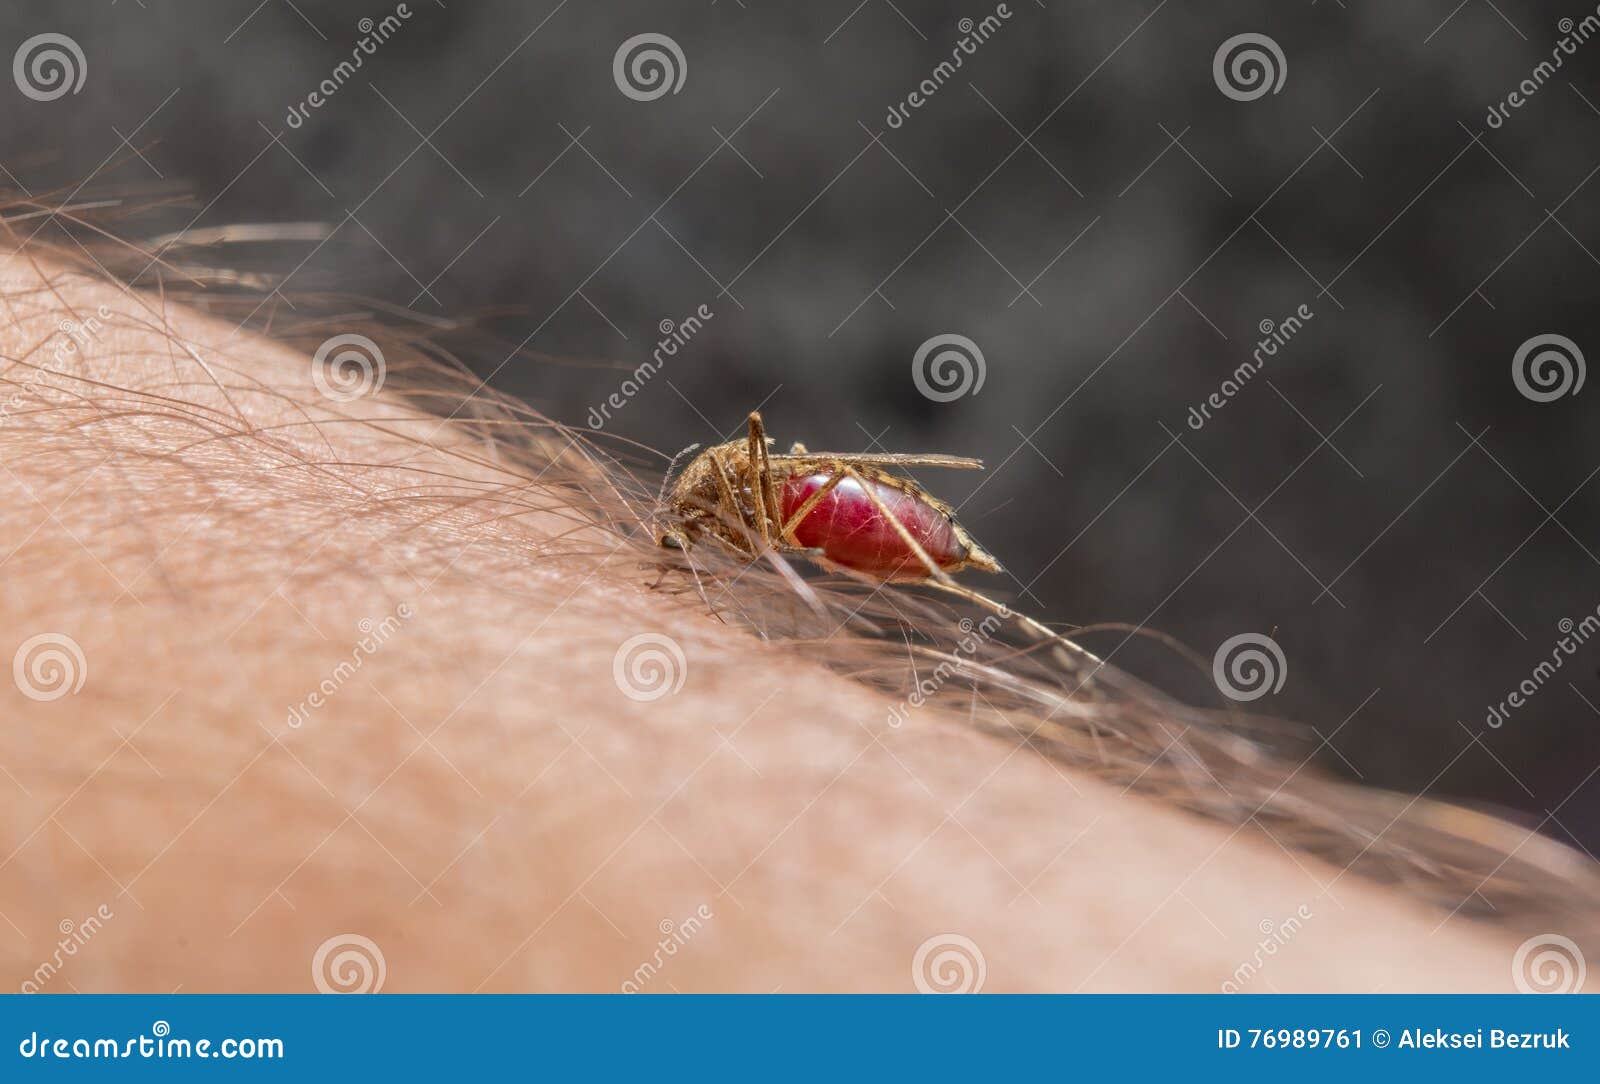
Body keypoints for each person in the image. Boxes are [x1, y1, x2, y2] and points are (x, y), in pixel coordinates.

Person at [0, 240, 1591, 994]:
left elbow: (755, 504)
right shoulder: (731, 501)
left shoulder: (741, 494)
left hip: (840, 515)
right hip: (835, 518)